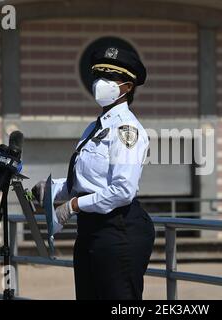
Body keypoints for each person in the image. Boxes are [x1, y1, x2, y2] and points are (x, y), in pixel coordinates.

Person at [32, 46, 155, 300]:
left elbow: (122, 191)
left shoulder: (126, 130)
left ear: (128, 87)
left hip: (118, 231)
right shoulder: (94, 127)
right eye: (99, 76)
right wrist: (51, 189)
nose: (101, 83)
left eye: (110, 78)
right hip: (90, 232)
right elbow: (86, 180)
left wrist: (73, 206)